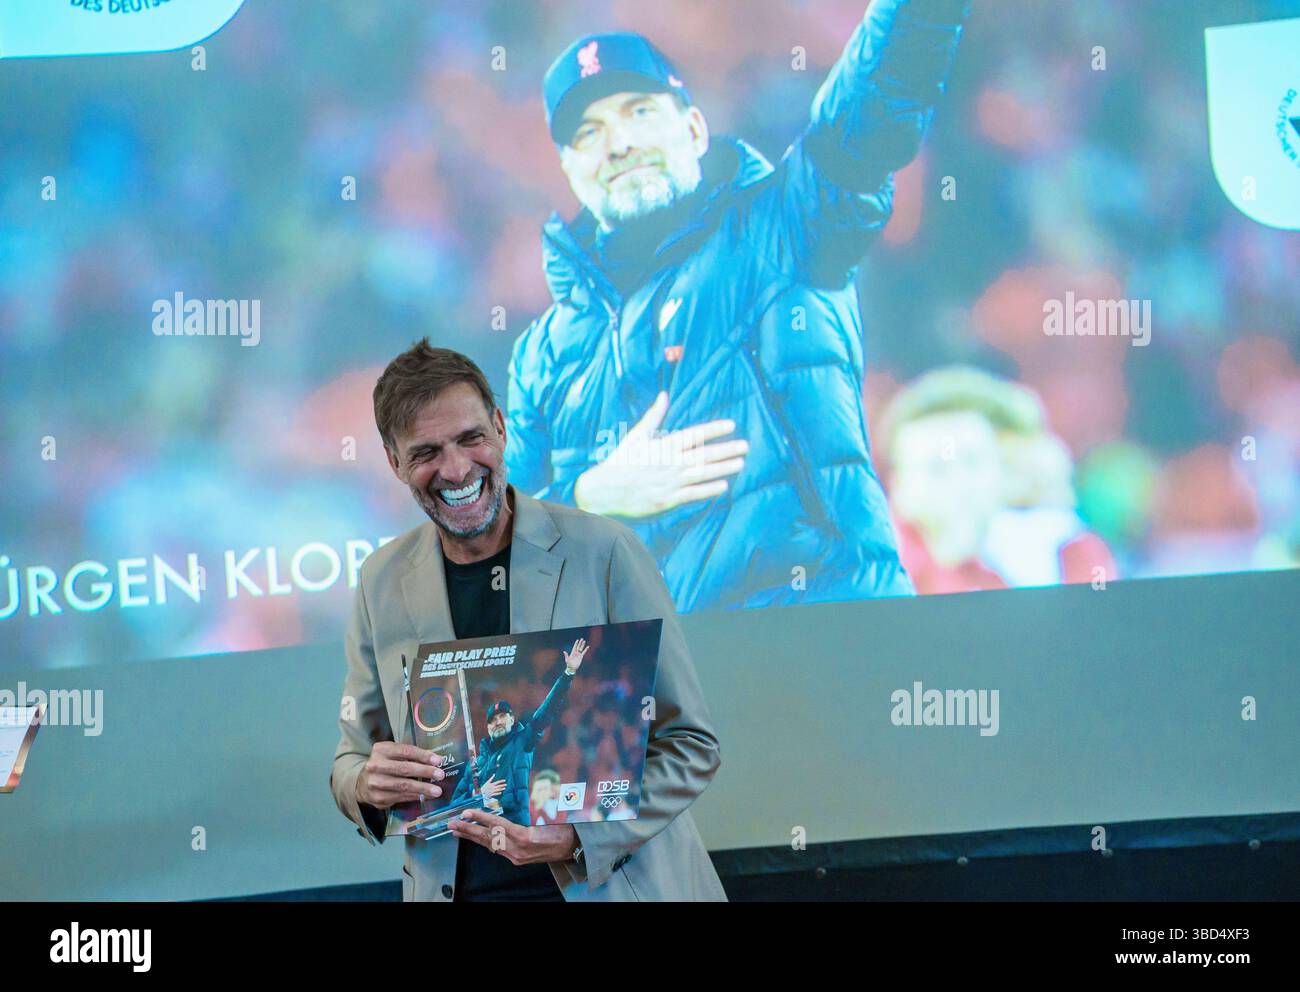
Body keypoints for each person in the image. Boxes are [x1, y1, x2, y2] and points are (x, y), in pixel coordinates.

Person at [506, 0, 972, 613]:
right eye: (587, 134)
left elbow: (873, 103)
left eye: (639, 112)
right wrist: (590, 494)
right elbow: (481, 552)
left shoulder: (784, 225)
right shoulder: (542, 354)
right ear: (570, 170)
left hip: (832, 632)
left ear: (695, 130)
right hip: (656, 686)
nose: (617, 144)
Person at [329, 340, 725, 902]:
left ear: (499, 426)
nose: (457, 468)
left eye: (471, 438)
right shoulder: (381, 581)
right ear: (395, 463)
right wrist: (368, 784)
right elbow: (351, 759)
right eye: (426, 453)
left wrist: (578, 837)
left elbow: (690, 743)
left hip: (611, 888)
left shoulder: (604, 552)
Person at [446, 638, 588, 827]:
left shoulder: (522, 741)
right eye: (493, 720)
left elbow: (545, 712)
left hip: (518, 830)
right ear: (488, 727)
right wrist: (478, 794)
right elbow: (451, 811)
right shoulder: (475, 761)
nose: (497, 722)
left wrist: (568, 673)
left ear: (512, 720)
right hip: (479, 837)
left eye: (502, 717)